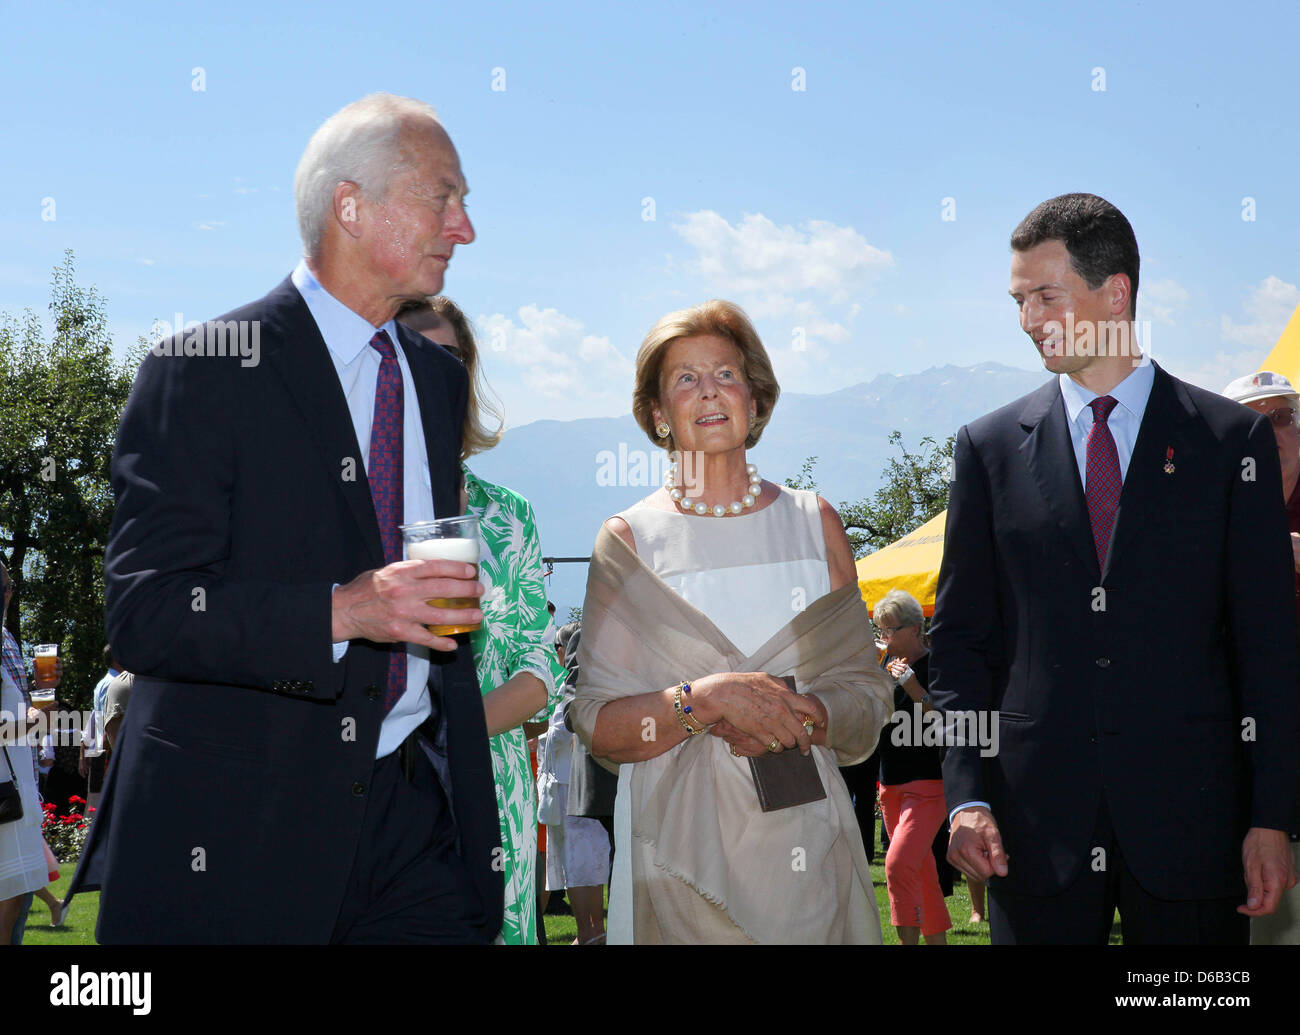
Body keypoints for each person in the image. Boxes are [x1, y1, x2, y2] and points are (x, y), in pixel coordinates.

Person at [66, 93, 503, 944]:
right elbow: (147, 615)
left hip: (417, 829)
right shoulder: (202, 370)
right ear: (351, 205)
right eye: (443, 197)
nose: (465, 229)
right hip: (241, 837)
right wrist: (345, 610)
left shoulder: (436, 379)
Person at [931, 192, 1300, 945]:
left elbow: (1268, 648)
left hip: (1196, 828)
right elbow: (961, 643)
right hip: (1030, 835)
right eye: (1018, 300)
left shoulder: (1231, 444)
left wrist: (1272, 817)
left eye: (1045, 295)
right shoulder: (988, 448)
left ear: (1116, 292)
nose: (1028, 319)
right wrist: (966, 795)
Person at [571, 299, 892, 944]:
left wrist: (805, 716)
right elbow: (599, 724)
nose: (709, 391)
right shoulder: (628, 542)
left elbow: (870, 694)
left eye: (726, 373)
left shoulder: (815, 521)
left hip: (808, 844)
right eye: (685, 378)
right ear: (658, 414)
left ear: (756, 397)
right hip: (677, 858)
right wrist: (707, 699)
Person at [396, 295, 567, 944]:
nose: (432, 371)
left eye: (448, 357)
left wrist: (448, 733)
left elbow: (538, 662)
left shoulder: (507, 515)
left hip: (491, 791)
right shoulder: (349, 504)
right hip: (381, 791)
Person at [1221, 370, 1300, 944]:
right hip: (1228, 785)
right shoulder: (1200, 520)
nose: (1270, 433)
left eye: (1281, 418)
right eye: (1253, 422)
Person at [875, 588, 951, 945]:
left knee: (898, 864)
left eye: (890, 630)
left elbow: (944, 722)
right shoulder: (884, 668)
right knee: (921, 871)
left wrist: (914, 687)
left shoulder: (937, 664)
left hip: (928, 783)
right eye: (881, 630)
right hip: (890, 783)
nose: (885, 638)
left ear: (914, 629)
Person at [538, 623, 610, 945]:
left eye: (559, 648)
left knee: (585, 866)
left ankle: (592, 934)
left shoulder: (585, 685)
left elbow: (572, 732)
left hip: (578, 797)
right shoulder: (560, 686)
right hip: (560, 799)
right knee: (571, 868)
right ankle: (589, 934)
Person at [0, 561, 48, 943]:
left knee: (21, 900)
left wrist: (41, 692)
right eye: (4, 586)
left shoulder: (8, 640)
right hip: (3, 797)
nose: (8, 593)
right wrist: (37, 717)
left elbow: (22, 709)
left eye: (8, 585)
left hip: (23, 790)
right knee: (11, 902)